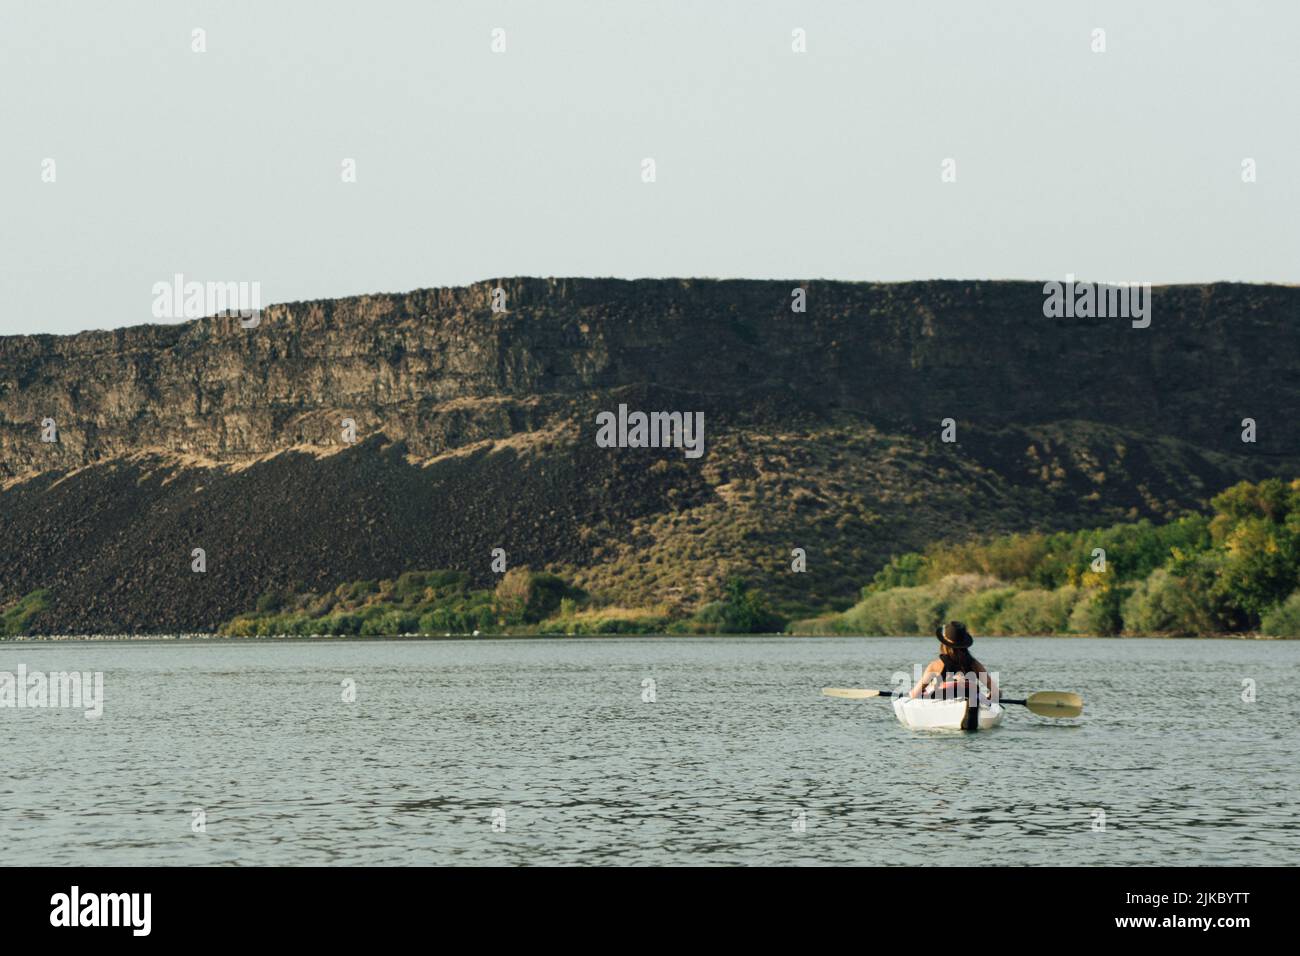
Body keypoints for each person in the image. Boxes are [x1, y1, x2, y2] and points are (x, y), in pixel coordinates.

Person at [907, 621, 998, 701]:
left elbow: (915, 694)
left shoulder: (935, 665)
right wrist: (992, 695)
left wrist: (913, 694)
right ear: (965, 644)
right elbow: (995, 692)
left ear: (944, 644)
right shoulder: (974, 664)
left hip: (944, 699)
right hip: (970, 698)